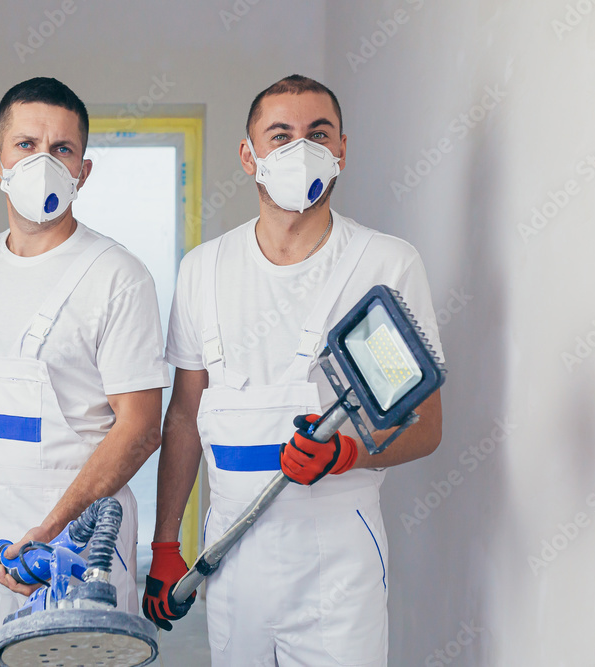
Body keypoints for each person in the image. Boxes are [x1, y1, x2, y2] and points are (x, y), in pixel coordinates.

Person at [143, 75, 444, 666]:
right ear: (248, 154)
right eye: (279, 136)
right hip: (231, 554)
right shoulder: (204, 270)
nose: (299, 149)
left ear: (341, 150)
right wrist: (164, 543)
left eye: (317, 133)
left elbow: (427, 426)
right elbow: (183, 417)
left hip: (337, 559)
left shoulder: (382, 264)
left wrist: (348, 453)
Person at [0, 77, 169, 665]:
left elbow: (142, 428)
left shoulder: (117, 276)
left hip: (81, 538)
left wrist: (50, 529)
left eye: (62, 149)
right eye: (25, 145)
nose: (42, 161)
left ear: (83, 171)